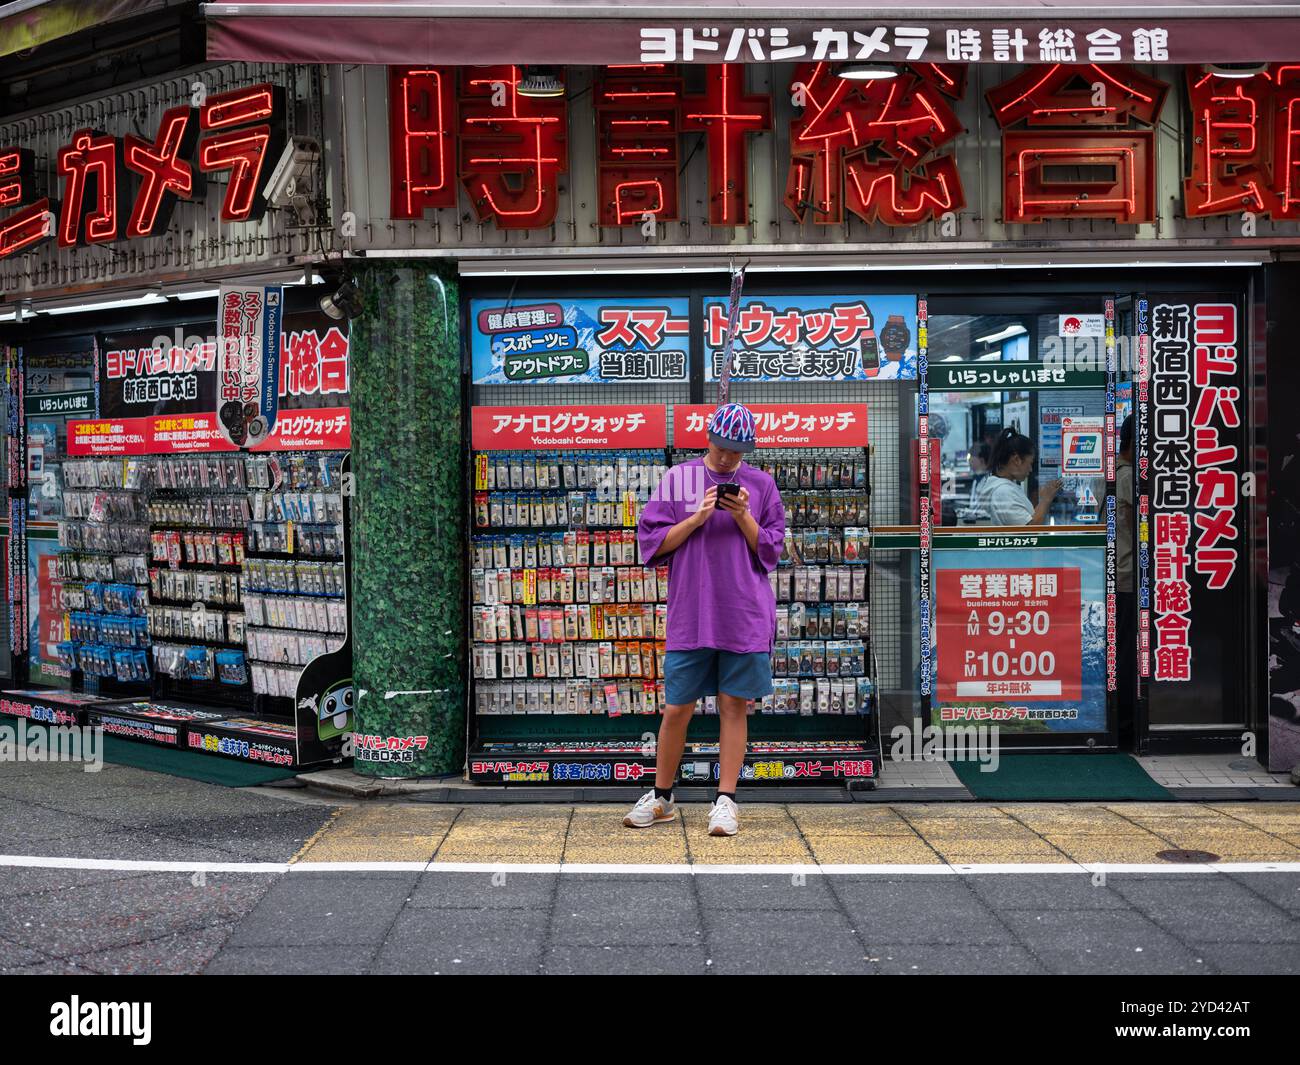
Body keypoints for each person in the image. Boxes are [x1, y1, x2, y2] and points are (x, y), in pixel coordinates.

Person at [622, 403, 786, 837]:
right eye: (723, 447)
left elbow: (771, 552)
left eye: (738, 450)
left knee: (734, 705)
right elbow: (653, 544)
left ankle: (726, 800)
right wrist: (696, 517)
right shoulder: (680, 479)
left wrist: (743, 516)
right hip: (691, 612)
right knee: (676, 708)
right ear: (708, 437)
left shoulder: (762, 485)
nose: (729, 458)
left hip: (744, 611)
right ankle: (661, 795)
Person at [968, 426, 1063, 526]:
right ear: (1017, 460)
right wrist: (1046, 499)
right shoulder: (1003, 492)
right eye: (1030, 463)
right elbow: (1029, 530)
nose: (1030, 469)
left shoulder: (1005, 488)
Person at [1115, 414, 1137, 742]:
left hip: (1118, 574)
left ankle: (1121, 722)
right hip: (1130, 575)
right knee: (1128, 653)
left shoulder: (1111, 473)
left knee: (1121, 649)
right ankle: (1125, 724)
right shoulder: (1129, 477)